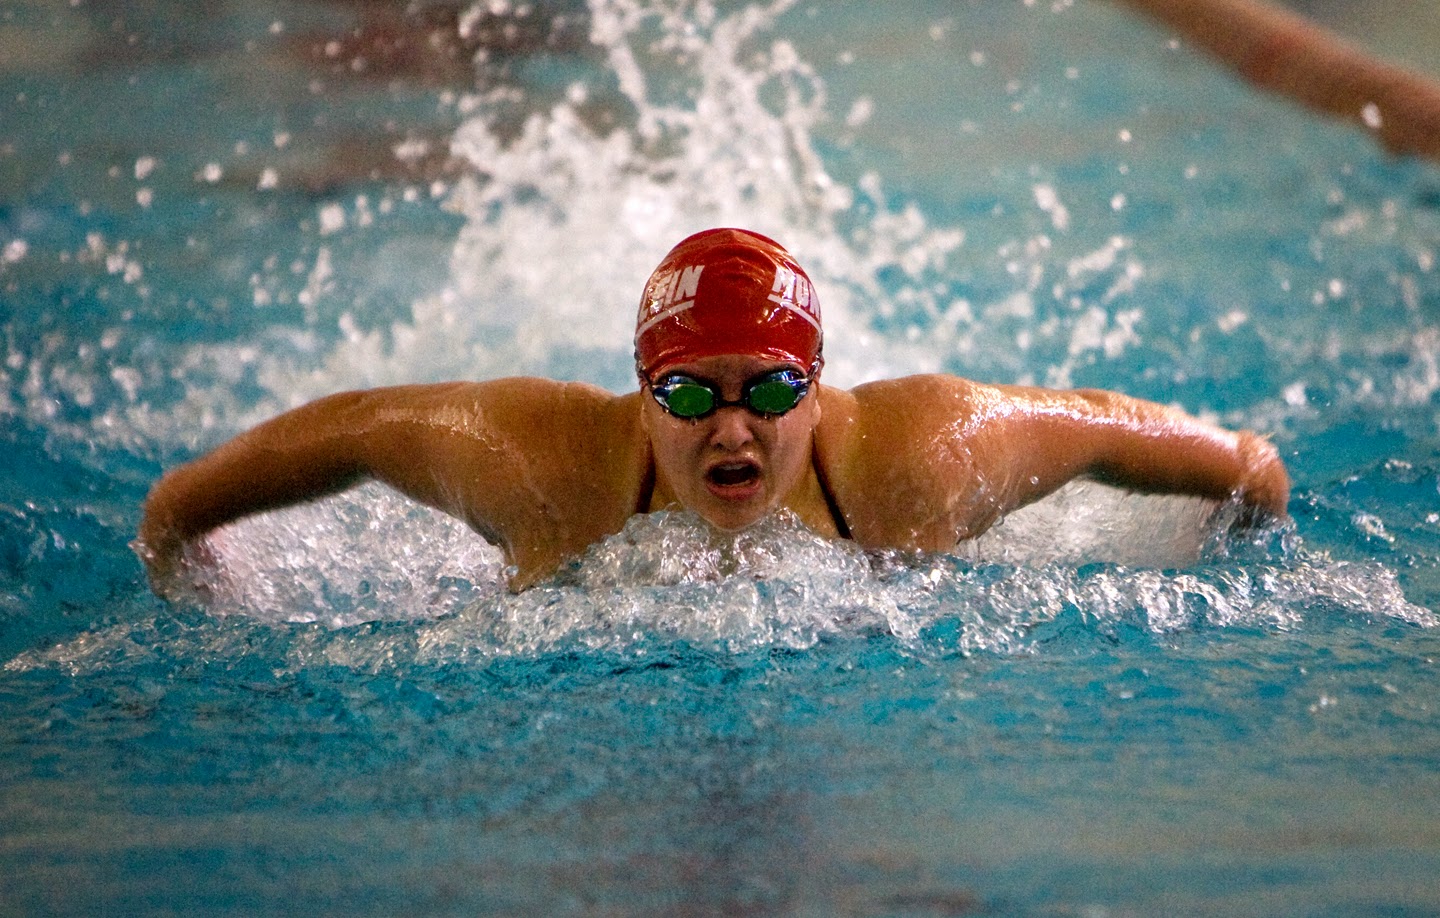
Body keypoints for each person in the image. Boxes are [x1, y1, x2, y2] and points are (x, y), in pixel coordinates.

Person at [136, 228, 1289, 594]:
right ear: (643, 395)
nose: (733, 430)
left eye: (773, 390)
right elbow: (347, 428)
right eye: (690, 392)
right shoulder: (540, 464)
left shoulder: (925, 458)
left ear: (818, 387)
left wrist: (1239, 511)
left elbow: (1178, 449)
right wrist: (181, 540)